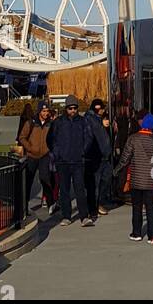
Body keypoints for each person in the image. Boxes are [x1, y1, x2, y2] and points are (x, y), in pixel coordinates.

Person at [114, 112, 153, 243]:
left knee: (136, 207)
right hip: (151, 181)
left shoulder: (133, 138)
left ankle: (136, 233)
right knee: (151, 208)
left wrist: (116, 170)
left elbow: (125, 158)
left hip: (136, 180)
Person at [47, 95, 94, 226]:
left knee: (80, 190)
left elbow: (89, 137)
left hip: (78, 161)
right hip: (63, 161)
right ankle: (66, 216)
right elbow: (50, 139)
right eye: (70, 108)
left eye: (75, 108)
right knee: (64, 190)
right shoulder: (59, 122)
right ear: (66, 108)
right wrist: (57, 153)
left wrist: (82, 151)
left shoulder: (83, 121)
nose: (73, 110)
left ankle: (84, 216)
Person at [18, 99, 57, 212]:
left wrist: (50, 148)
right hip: (32, 155)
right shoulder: (31, 122)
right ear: (39, 111)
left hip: (45, 155)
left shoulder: (51, 123)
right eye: (44, 111)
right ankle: (24, 206)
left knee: (45, 178)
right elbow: (22, 137)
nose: (46, 113)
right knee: (28, 181)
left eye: (47, 111)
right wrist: (29, 147)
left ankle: (50, 203)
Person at [84, 98, 113, 218]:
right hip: (96, 156)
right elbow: (91, 138)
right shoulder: (90, 119)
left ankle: (99, 203)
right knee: (95, 183)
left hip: (104, 155)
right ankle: (94, 206)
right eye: (102, 109)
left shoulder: (97, 119)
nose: (103, 111)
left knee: (106, 179)